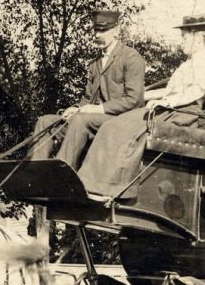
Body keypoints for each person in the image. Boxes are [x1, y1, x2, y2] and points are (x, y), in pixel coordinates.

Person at [78, 15, 205, 200]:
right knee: (113, 124)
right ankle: (94, 184)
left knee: (120, 127)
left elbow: (199, 91)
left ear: (196, 38)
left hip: (184, 113)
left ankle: (109, 188)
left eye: (184, 37)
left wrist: (168, 103)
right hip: (171, 109)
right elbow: (169, 91)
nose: (182, 42)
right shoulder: (190, 63)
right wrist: (141, 96)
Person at [31, 9, 145, 169]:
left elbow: (134, 100)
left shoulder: (131, 58)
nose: (97, 35)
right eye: (96, 30)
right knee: (45, 122)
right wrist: (76, 108)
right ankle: (35, 176)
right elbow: (87, 98)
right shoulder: (94, 64)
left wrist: (98, 109)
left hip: (121, 121)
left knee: (80, 121)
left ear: (116, 31)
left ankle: (61, 177)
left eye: (103, 30)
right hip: (93, 121)